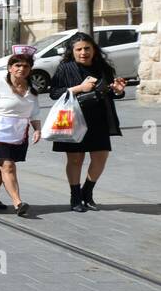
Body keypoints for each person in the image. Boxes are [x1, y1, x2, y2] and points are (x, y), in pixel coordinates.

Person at [49, 31, 126, 212]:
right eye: (79, 49)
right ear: (72, 51)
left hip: (99, 119)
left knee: (101, 156)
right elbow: (54, 93)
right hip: (73, 119)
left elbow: (110, 93)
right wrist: (79, 88)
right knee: (75, 159)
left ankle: (87, 193)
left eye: (87, 48)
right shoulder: (65, 68)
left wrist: (118, 90)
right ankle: (75, 197)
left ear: (94, 49)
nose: (83, 52)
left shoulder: (103, 67)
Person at [0, 51, 43, 217]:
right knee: (8, 166)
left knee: (0, 168)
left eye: (26, 66)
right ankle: (18, 202)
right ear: (10, 68)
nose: (21, 69)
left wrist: (37, 129)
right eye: (17, 65)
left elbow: (34, 114)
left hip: (18, 135)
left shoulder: (32, 90)